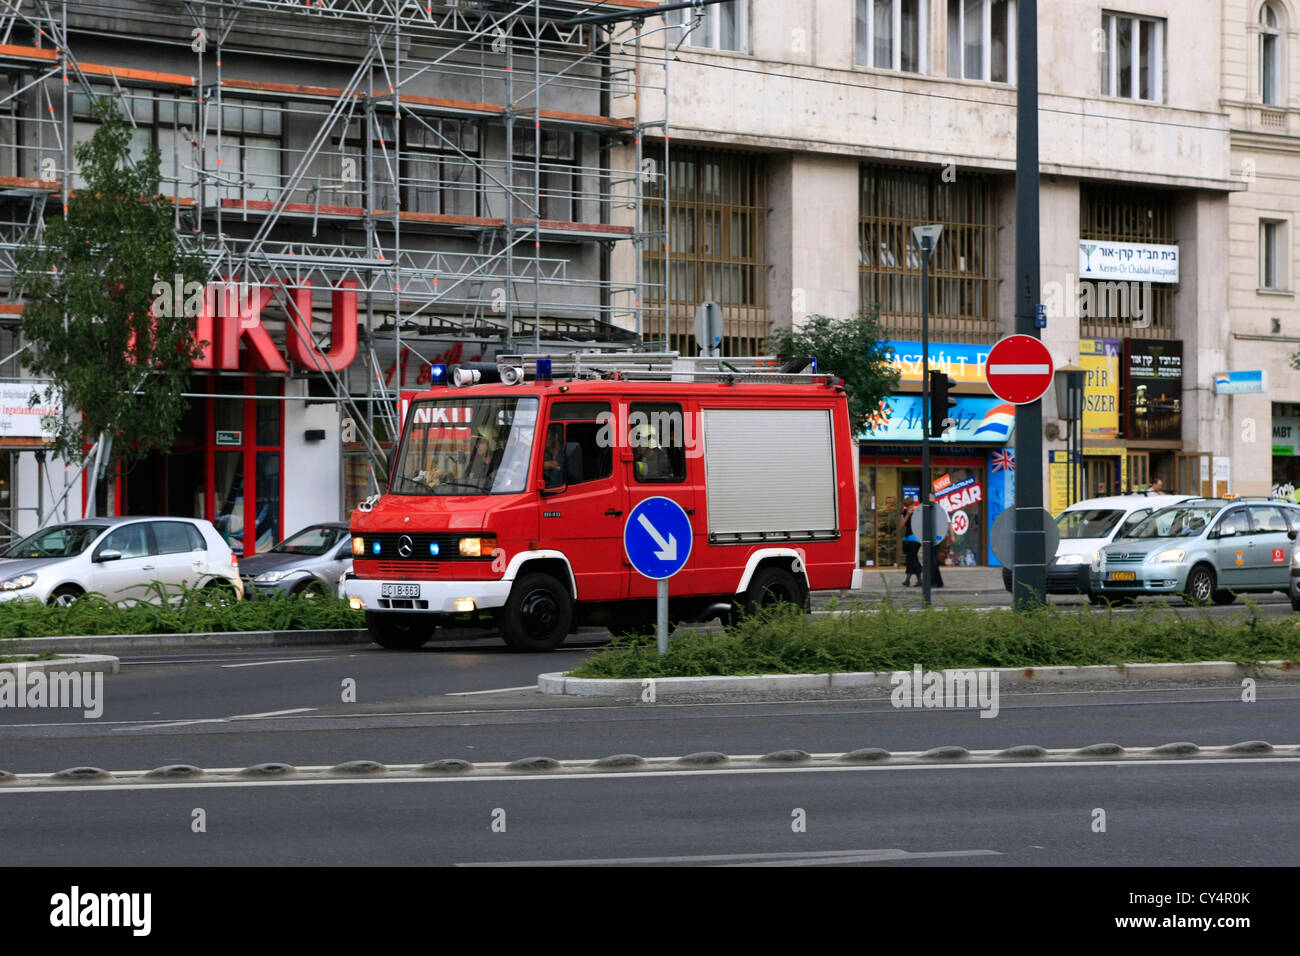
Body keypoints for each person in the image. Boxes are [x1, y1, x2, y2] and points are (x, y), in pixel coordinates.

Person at [898, 498, 922, 587]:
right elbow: (901, 524)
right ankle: (918, 580)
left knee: (911, 558)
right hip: (908, 538)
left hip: (916, 538)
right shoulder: (904, 512)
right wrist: (907, 514)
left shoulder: (918, 511)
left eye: (911, 505)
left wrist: (915, 511)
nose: (910, 507)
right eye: (908, 506)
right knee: (912, 558)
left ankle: (908, 580)